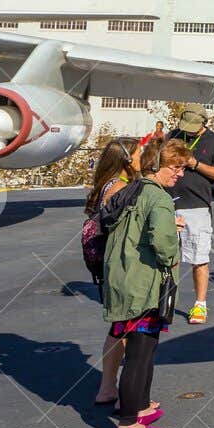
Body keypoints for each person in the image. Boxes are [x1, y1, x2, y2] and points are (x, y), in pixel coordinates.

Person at [103, 140, 191, 428]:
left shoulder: (133, 189)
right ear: (158, 165)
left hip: (123, 276)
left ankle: (139, 405)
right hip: (144, 284)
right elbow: (163, 243)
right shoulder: (160, 198)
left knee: (143, 348)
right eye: (175, 167)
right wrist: (174, 240)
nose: (180, 174)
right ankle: (128, 423)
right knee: (140, 353)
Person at [83, 137, 139, 405]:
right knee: (128, 330)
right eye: (139, 154)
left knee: (120, 328)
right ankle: (124, 395)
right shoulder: (119, 189)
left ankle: (108, 387)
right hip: (121, 267)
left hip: (107, 266)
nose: (143, 159)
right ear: (127, 160)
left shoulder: (104, 185)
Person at [166, 104, 214, 326]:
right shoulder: (173, 136)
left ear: (204, 123)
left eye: (193, 127)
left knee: (198, 258)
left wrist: (195, 163)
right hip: (168, 204)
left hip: (197, 207)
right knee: (166, 257)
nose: (188, 131)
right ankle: (165, 301)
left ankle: (200, 304)